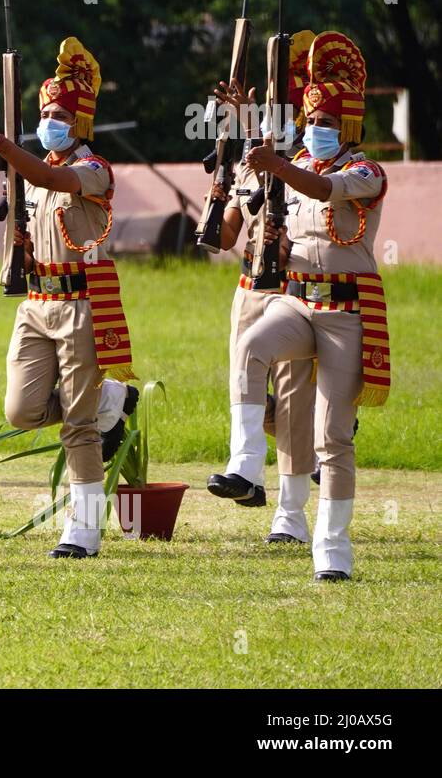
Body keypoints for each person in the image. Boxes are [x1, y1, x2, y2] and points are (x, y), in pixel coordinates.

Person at [0, 38, 138, 560]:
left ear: (80, 122)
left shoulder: (93, 168)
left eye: (60, 115)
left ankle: (84, 529)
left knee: (77, 425)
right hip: (36, 303)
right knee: (21, 409)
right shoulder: (28, 175)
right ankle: (111, 398)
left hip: (81, 303)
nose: (49, 121)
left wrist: (2, 145)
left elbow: (51, 176)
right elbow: (35, 200)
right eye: (45, 114)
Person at [222, 32, 388, 581]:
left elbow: (320, 190)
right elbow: (269, 197)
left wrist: (276, 163)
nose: (316, 129)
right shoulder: (290, 165)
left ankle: (332, 550)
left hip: (344, 315)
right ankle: (246, 461)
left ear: (348, 127)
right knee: (250, 347)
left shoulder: (366, 173)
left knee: (331, 437)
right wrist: (246, 127)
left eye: (327, 123)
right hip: (296, 302)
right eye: (311, 121)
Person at [205, 32, 319, 544]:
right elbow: (226, 237)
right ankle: (247, 472)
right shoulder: (252, 165)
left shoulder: (310, 170)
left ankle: (291, 517)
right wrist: (214, 202)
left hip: (295, 292)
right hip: (250, 288)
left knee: (292, 401)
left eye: (287, 113)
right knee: (244, 383)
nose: (280, 122)